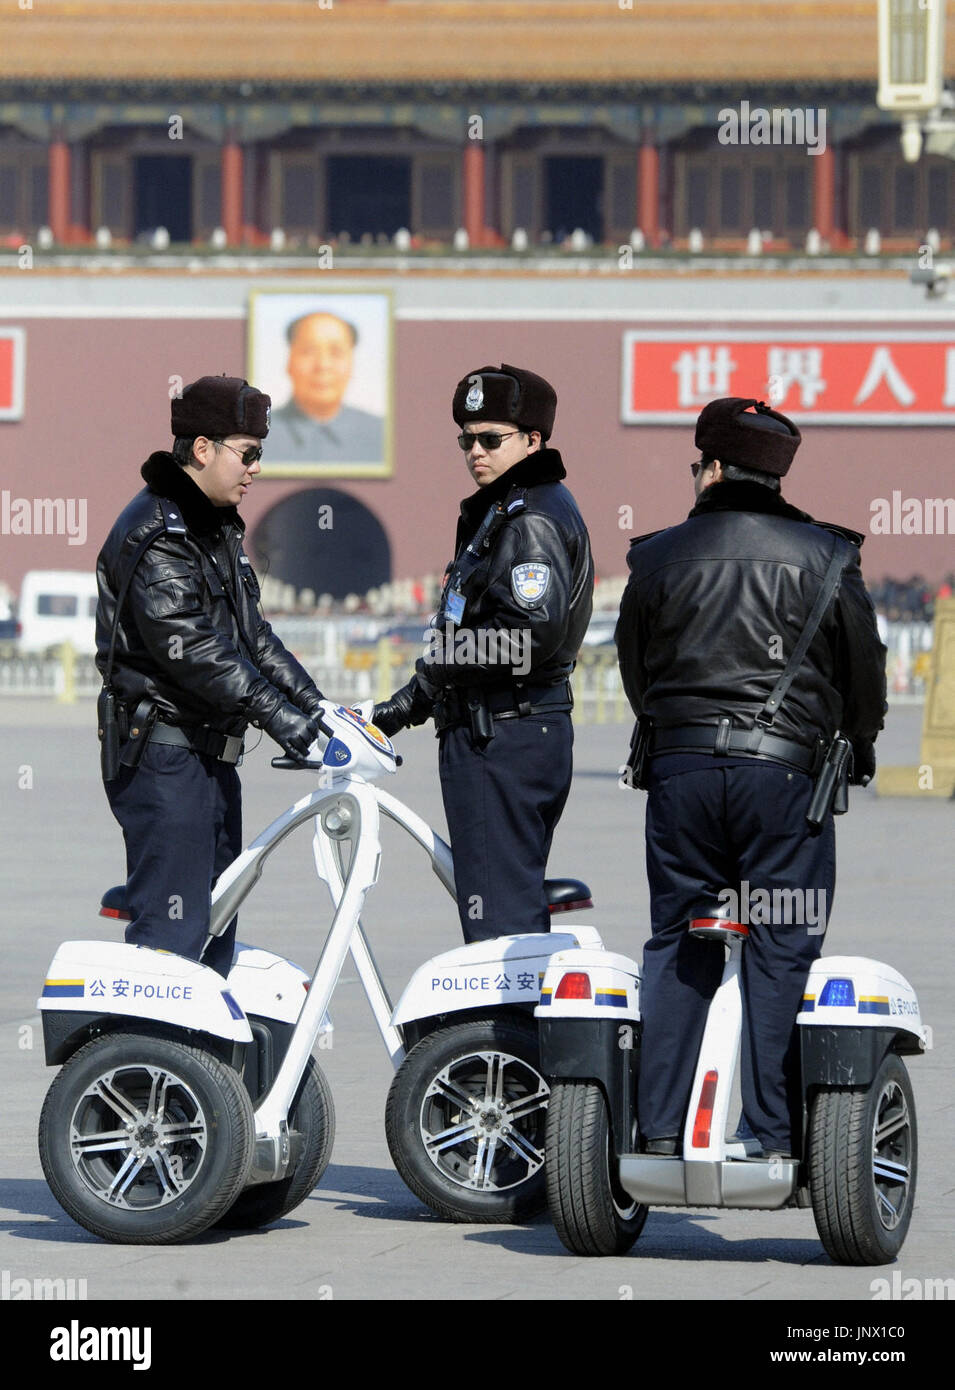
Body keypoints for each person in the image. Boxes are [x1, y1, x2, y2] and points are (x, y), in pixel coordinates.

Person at [615, 397, 886, 1159]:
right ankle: (769, 1135)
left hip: (680, 774)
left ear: (707, 468)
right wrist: (856, 745)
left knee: (677, 940)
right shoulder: (828, 556)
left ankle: (658, 1133)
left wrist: (674, 738)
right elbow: (862, 670)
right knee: (780, 941)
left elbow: (637, 671)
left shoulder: (655, 555)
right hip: (783, 781)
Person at [95, 375, 325, 976]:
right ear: (203, 449)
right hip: (166, 761)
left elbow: (254, 638)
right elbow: (193, 650)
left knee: (215, 935)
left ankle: (199, 1072)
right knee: (174, 946)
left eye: (260, 455)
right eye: (247, 454)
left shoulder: (214, 528)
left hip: (211, 761)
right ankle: (151, 1067)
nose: (255, 469)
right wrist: (278, 717)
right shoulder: (160, 533)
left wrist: (320, 711)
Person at [373, 363, 594, 943]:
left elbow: (528, 634)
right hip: (503, 729)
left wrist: (429, 678)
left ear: (533, 441)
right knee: (498, 905)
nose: (475, 452)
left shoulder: (531, 517)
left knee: (497, 922)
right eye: (466, 440)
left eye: (490, 440)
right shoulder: (504, 510)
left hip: (505, 736)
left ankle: (502, 1032)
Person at [265, 311, 384, 463]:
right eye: (308, 351)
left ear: (352, 364)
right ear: (289, 362)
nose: (323, 365)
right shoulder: (261, 433)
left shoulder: (381, 433)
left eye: (336, 353)